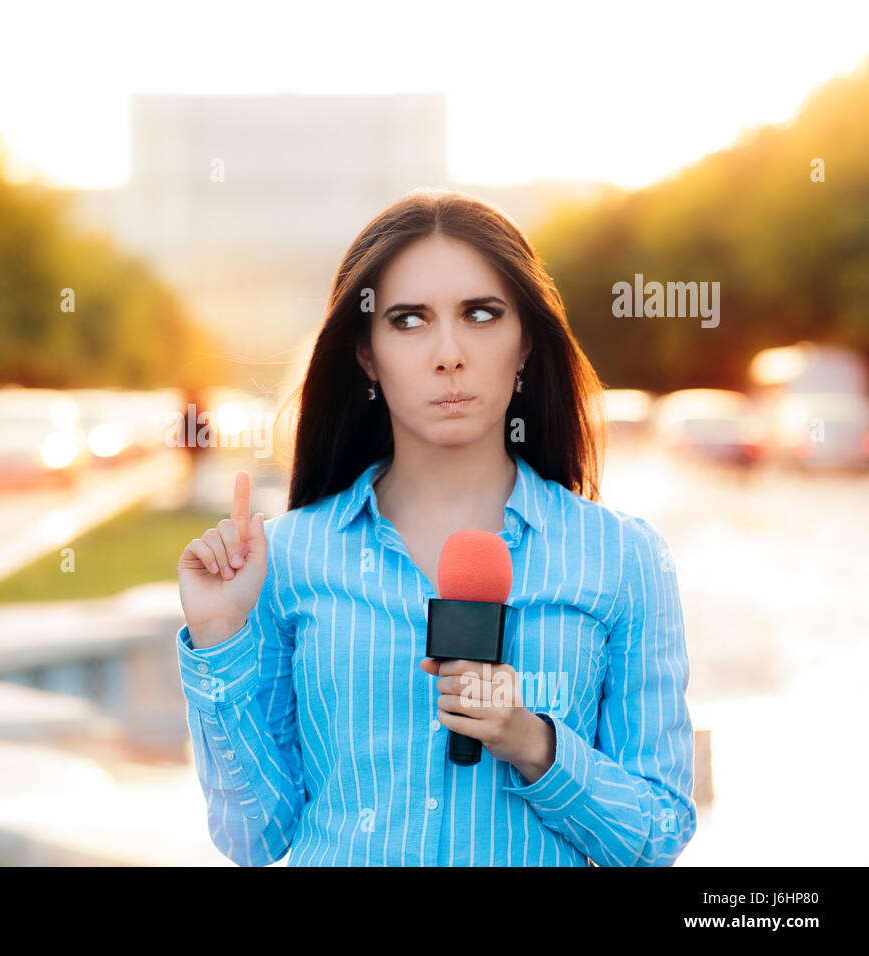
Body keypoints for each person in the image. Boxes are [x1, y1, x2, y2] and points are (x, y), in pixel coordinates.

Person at [175, 188, 696, 866]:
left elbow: (656, 835)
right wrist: (220, 638)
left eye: (480, 315)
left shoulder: (622, 559)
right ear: (366, 354)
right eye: (409, 320)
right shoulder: (285, 558)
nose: (448, 353)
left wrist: (534, 742)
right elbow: (254, 837)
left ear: (525, 343)